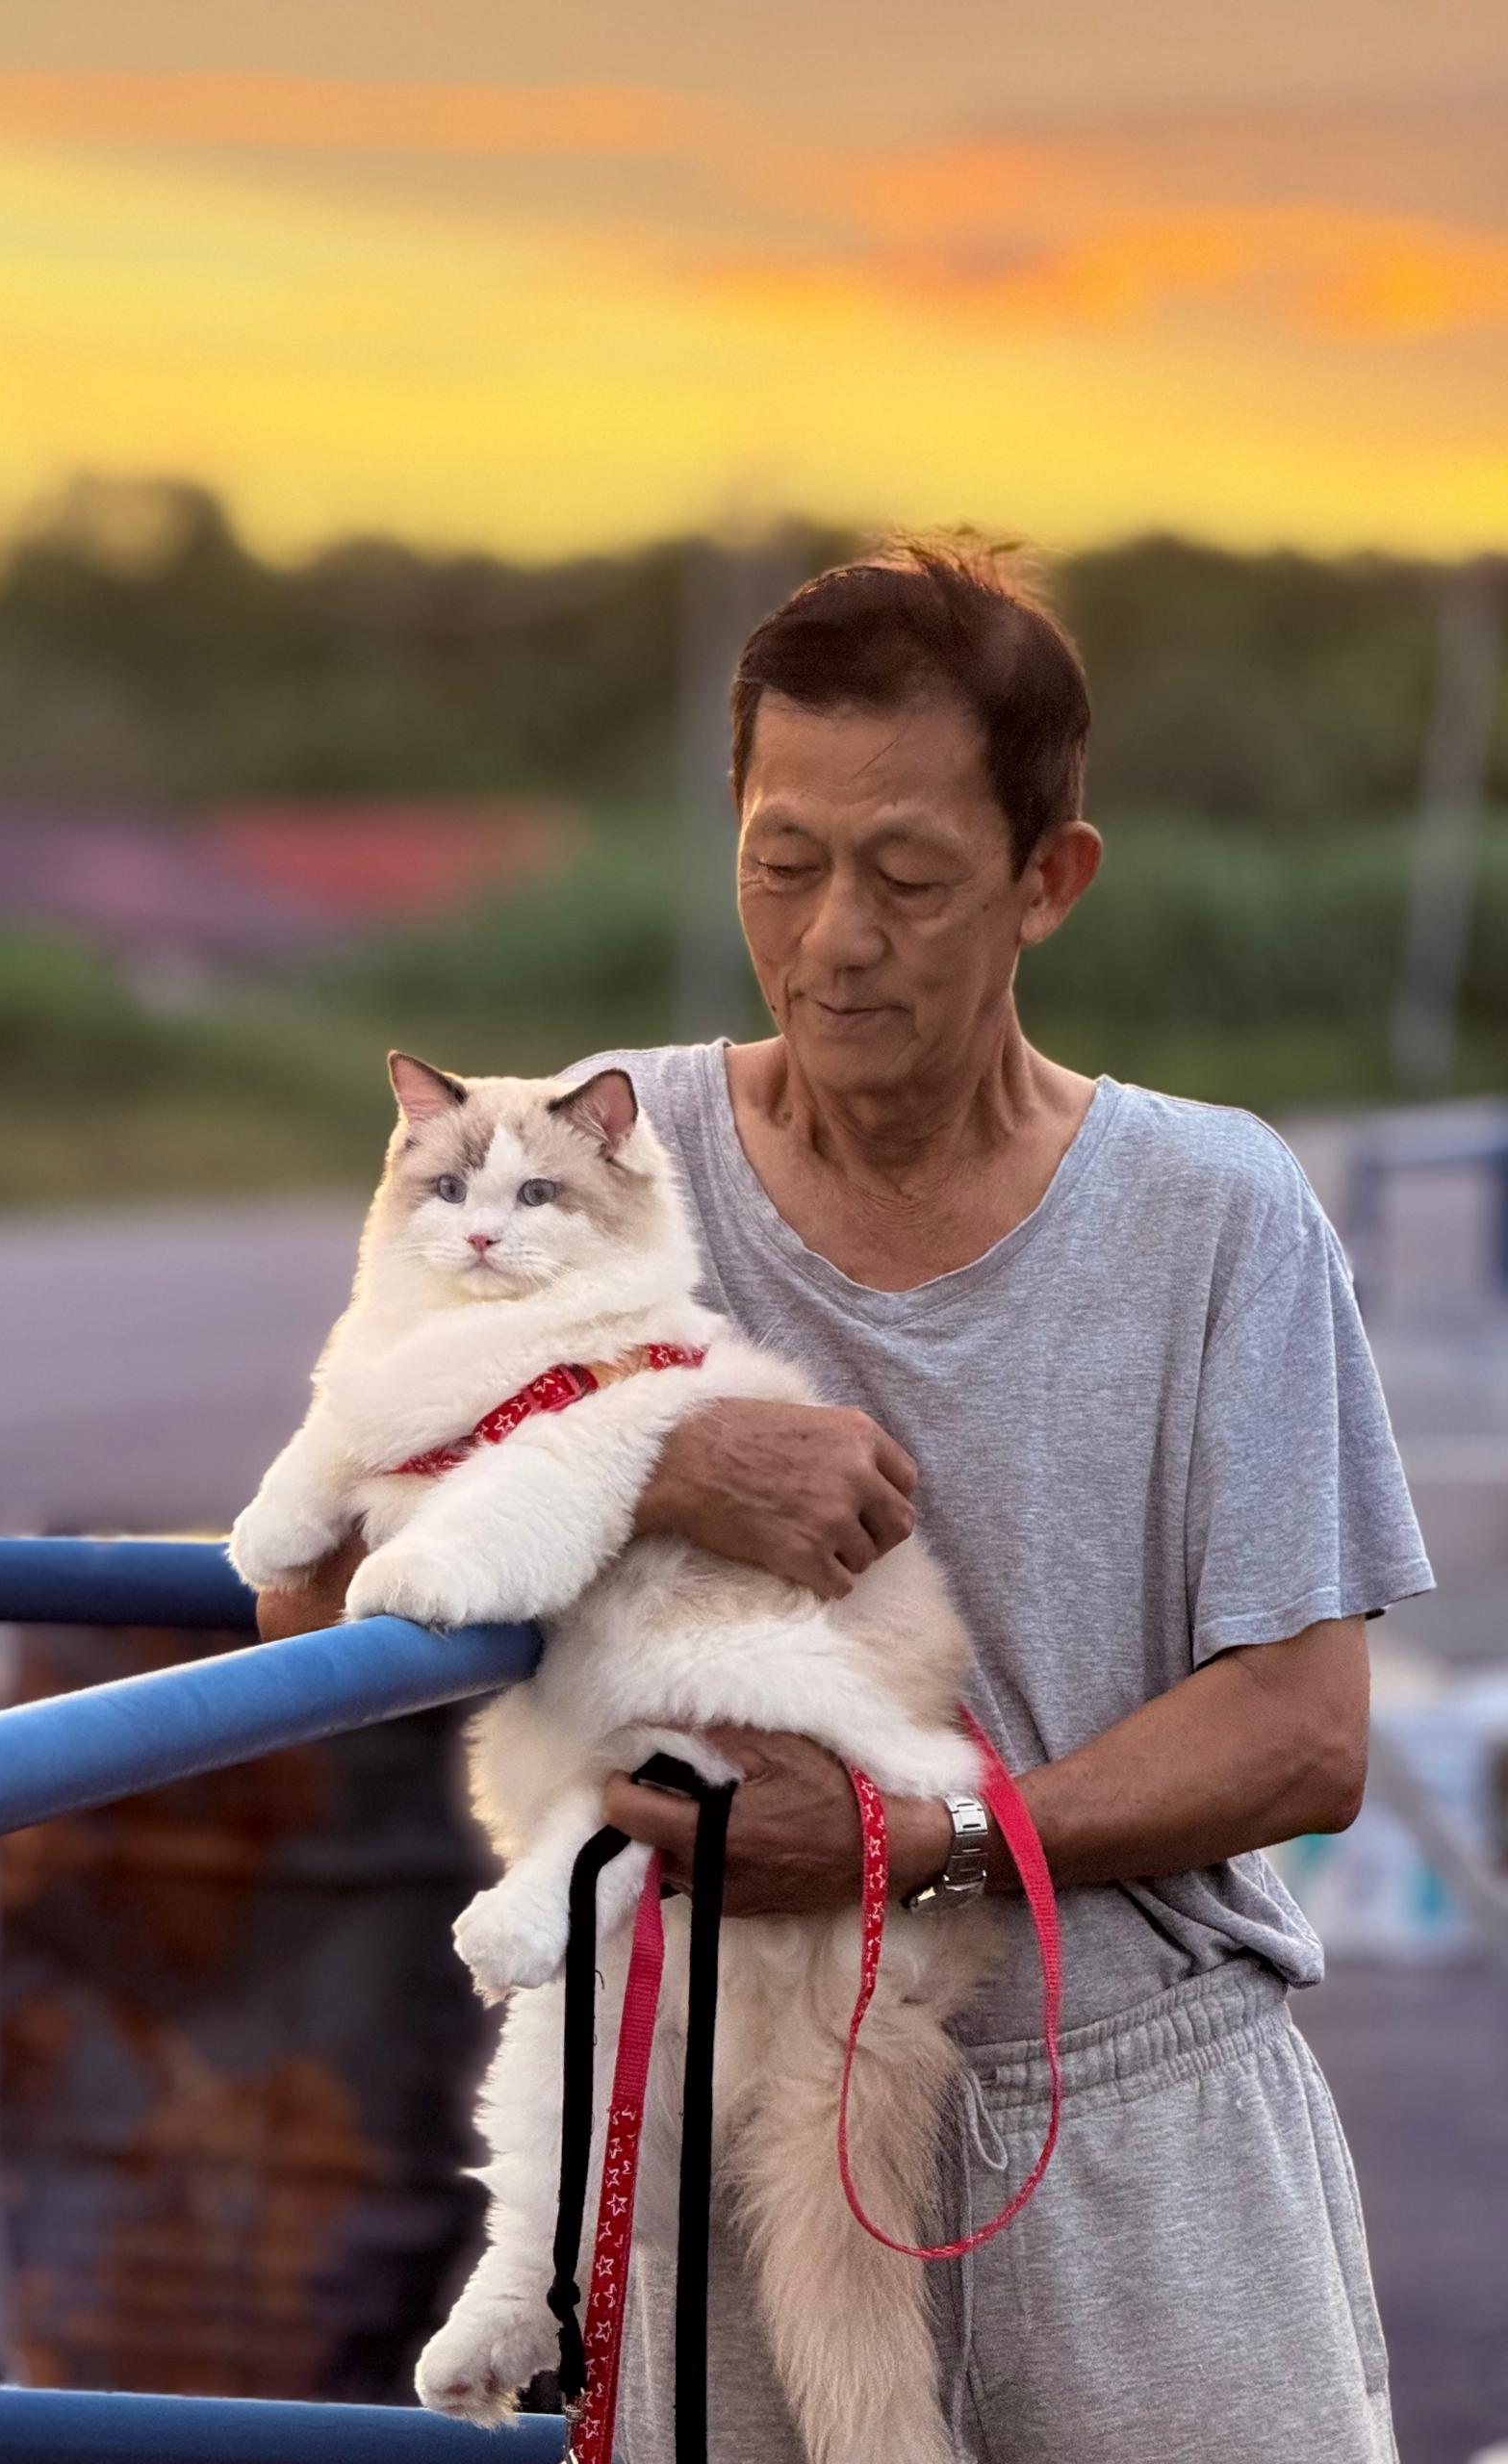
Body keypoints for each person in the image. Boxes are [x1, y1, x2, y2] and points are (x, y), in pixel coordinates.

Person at [261, 541, 1431, 2463]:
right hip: (717, 2140)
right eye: (783, 863)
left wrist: (904, 1846)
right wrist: (655, 1454)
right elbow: (302, 1605)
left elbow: (1303, 1734)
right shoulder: (572, 1158)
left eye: (909, 876)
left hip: (1136, 2131)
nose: (832, 940)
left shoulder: (1216, 1211)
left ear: (1050, 880)